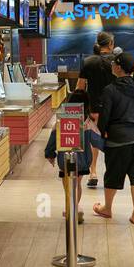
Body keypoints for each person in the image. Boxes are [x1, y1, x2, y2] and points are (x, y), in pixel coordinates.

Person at [92, 52, 134, 225]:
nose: (111, 66)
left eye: (113, 64)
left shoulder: (111, 89)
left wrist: (102, 133)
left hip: (119, 139)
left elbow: (104, 118)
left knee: (113, 174)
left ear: (118, 67)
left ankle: (107, 208)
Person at [43, 90, 90, 223]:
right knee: (77, 183)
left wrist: (49, 154)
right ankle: (74, 206)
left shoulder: (62, 119)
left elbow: (53, 137)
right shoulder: (87, 121)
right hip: (82, 160)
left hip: (65, 159)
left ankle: (73, 208)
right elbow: (95, 139)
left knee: (69, 184)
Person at [77, 32, 115, 190]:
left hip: (93, 108)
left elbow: (80, 87)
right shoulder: (115, 61)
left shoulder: (88, 62)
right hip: (112, 107)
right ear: (111, 44)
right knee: (112, 140)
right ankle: (111, 173)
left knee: (94, 140)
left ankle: (93, 172)